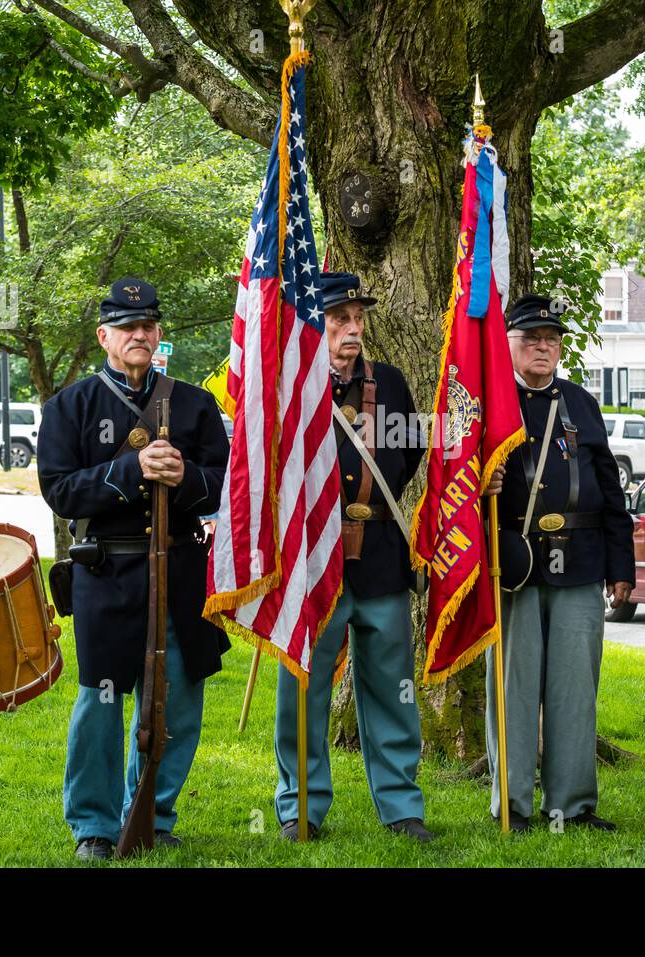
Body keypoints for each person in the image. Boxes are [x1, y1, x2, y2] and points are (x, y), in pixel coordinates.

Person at [37, 277, 229, 860]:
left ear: (159, 334)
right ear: (104, 336)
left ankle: (155, 811)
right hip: (108, 570)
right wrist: (130, 472)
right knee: (100, 699)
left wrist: (184, 479)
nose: (138, 335)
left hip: (182, 566)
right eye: (125, 327)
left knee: (179, 697)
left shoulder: (195, 404)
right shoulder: (69, 405)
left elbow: (224, 485)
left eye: (147, 326)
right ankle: (94, 825)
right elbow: (59, 491)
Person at [272, 271, 433, 843]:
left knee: (392, 685)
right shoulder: (294, 384)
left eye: (358, 318)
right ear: (316, 323)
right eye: (340, 318)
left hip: (382, 557)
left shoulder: (388, 383)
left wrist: (368, 500)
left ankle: (401, 806)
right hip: (317, 561)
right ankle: (302, 807)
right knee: (305, 688)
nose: (353, 328)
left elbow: (411, 452)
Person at [486, 293, 635, 833]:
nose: (543, 347)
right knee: (515, 690)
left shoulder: (581, 403)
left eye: (551, 339)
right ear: (509, 345)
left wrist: (622, 568)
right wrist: (487, 485)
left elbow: (611, 492)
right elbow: (457, 494)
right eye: (531, 338)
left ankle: (572, 804)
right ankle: (515, 805)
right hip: (516, 568)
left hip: (582, 562)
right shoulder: (490, 402)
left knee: (575, 690)